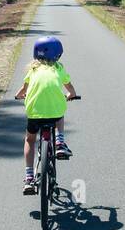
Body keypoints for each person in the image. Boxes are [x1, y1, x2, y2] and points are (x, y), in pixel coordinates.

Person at [14, 35, 78, 194]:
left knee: (29, 139)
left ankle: (29, 178)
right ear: (57, 55)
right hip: (54, 114)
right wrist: (71, 95)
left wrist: (18, 95)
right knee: (60, 112)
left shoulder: (32, 69)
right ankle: (60, 142)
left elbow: (23, 90)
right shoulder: (58, 68)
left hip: (34, 114)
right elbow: (70, 89)